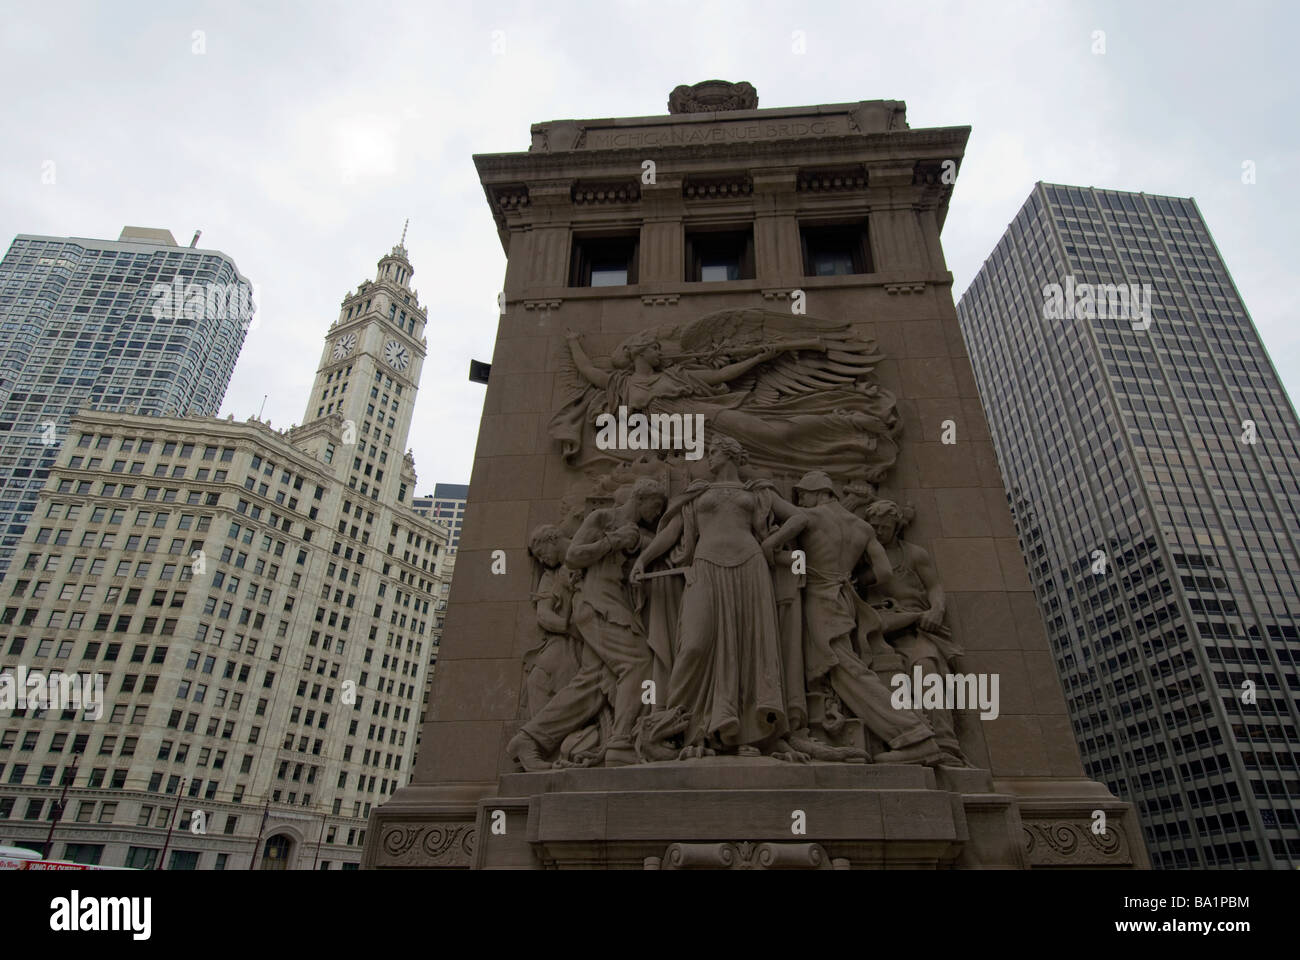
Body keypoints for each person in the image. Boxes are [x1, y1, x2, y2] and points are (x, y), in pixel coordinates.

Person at [630, 436, 807, 759]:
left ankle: (743, 732)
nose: (708, 458)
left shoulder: (756, 490)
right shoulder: (698, 492)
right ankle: (684, 727)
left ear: (729, 455)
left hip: (751, 567)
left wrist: (771, 543)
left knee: (747, 646)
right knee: (695, 644)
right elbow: (671, 534)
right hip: (706, 567)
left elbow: (799, 517)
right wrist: (642, 559)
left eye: (712, 452)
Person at [506, 478, 667, 770]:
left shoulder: (639, 532)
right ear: (641, 498)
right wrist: (613, 541)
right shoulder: (603, 518)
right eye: (655, 506)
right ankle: (621, 742)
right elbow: (574, 556)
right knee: (638, 663)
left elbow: (659, 545)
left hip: (610, 603)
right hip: (597, 605)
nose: (657, 513)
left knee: (592, 683)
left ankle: (529, 739)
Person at [792, 472, 944, 765]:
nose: (801, 500)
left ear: (819, 492)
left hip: (824, 600)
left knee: (843, 668)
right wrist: (853, 580)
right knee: (841, 668)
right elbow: (884, 572)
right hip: (845, 597)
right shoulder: (861, 527)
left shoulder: (810, 515)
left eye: (803, 494)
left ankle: (915, 735)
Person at [864, 500, 970, 766]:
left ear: (896, 527)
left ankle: (945, 744)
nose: (879, 531)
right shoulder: (862, 558)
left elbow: (934, 586)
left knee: (926, 667)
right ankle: (907, 741)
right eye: (874, 526)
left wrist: (937, 609)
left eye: (884, 527)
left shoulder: (914, 553)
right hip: (880, 633)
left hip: (920, 632)